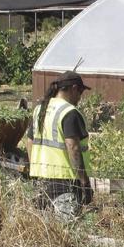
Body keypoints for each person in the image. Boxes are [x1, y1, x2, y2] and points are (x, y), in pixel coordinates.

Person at [27, 71, 93, 217]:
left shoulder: (40, 108)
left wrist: (35, 169)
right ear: (74, 88)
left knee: (45, 227)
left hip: (41, 178)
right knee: (66, 229)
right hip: (65, 181)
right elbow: (73, 147)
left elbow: (30, 142)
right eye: (80, 92)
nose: (80, 97)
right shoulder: (69, 112)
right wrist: (84, 182)